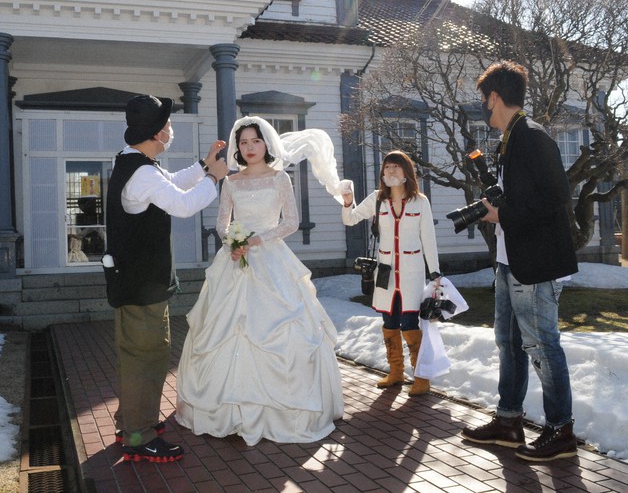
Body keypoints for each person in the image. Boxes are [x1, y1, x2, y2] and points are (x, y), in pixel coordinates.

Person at [175, 116, 344, 446]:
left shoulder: (281, 178)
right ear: (237, 148)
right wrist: (233, 242)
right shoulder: (231, 182)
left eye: (254, 141)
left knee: (286, 328)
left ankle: (283, 410)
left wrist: (257, 240)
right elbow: (223, 223)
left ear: (266, 144)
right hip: (234, 260)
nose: (249, 148)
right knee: (221, 329)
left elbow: (291, 222)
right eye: (243, 143)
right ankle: (225, 409)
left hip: (270, 257)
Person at [460, 61, 579, 462]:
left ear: (495, 97)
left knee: (542, 346)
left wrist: (502, 215)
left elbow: (557, 195)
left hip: (535, 263)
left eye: (483, 101)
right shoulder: (510, 139)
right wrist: (499, 206)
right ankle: (509, 422)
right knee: (509, 343)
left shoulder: (532, 136)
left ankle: (560, 429)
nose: (483, 108)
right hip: (511, 261)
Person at [104, 94, 229, 463]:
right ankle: (138, 437)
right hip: (142, 285)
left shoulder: (135, 164)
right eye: (169, 125)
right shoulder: (142, 171)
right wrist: (214, 178)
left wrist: (203, 166)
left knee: (136, 356)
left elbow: (171, 182)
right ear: (159, 134)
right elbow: (183, 204)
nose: (171, 130)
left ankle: (132, 422)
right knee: (149, 358)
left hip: (134, 282)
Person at [340, 150, 441, 397]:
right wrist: (347, 201)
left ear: (407, 172)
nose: (391, 171)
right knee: (389, 322)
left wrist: (435, 273)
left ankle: (421, 377)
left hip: (412, 273)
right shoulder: (378, 200)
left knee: (409, 323)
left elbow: (428, 238)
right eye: (387, 168)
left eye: (396, 167)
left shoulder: (420, 201)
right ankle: (396, 372)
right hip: (386, 274)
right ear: (382, 174)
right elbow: (351, 219)